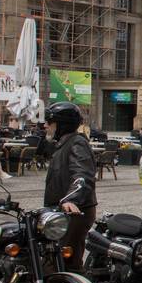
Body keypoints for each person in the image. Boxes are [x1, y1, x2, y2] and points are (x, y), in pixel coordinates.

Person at [43, 102, 97, 263]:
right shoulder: (64, 143)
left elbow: (83, 174)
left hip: (74, 212)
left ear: (61, 124)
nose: (45, 125)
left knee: (68, 260)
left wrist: (71, 199)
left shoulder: (77, 143)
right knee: (55, 258)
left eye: (49, 122)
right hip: (62, 211)